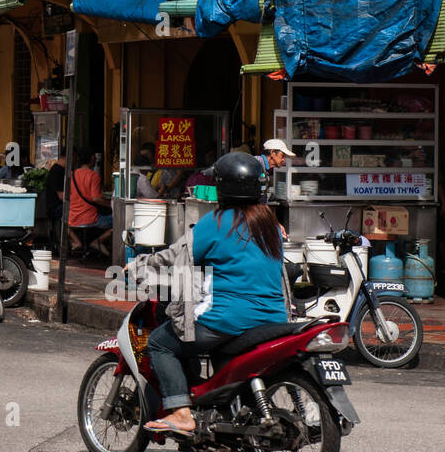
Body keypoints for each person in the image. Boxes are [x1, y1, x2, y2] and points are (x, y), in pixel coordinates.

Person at [131, 152, 289, 436]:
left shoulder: (214, 223)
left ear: (221, 187)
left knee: (159, 342)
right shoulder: (271, 224)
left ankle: (181, 413)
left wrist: (140, 265)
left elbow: (175, 254)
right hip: (274, 320)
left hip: (227, 318)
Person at [68, 146, 112, 259]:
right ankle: (98, 241)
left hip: (72, 218)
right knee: (119, 222)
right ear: (93, 158)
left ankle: (80, 242)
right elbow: (96, 198)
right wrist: (111, 205)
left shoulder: (72, 175)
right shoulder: (93, 176)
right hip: (89, 218)